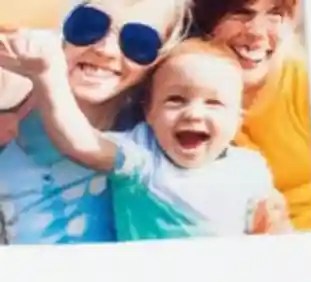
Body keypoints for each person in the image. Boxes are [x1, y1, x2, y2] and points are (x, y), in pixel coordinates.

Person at [0, 30, 286, 239]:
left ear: (238, 119)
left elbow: (271, 234)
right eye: (175, 100)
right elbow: (79, 142)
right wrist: (49, 75)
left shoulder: (249, 168)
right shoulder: (143, 161)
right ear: (149, 113)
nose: (194, 113)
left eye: (214, 103)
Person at [0, 0, 191, 244]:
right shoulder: (13, 103)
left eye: (139, 42)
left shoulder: (155, 136)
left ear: (161, 59)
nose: (105, 50)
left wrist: (47, 74)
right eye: (89, 25)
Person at [190, 0, 311, 230]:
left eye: (275, 14)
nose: (257, 34)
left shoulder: (305, 79)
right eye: (239, 13)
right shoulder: (181, 88)